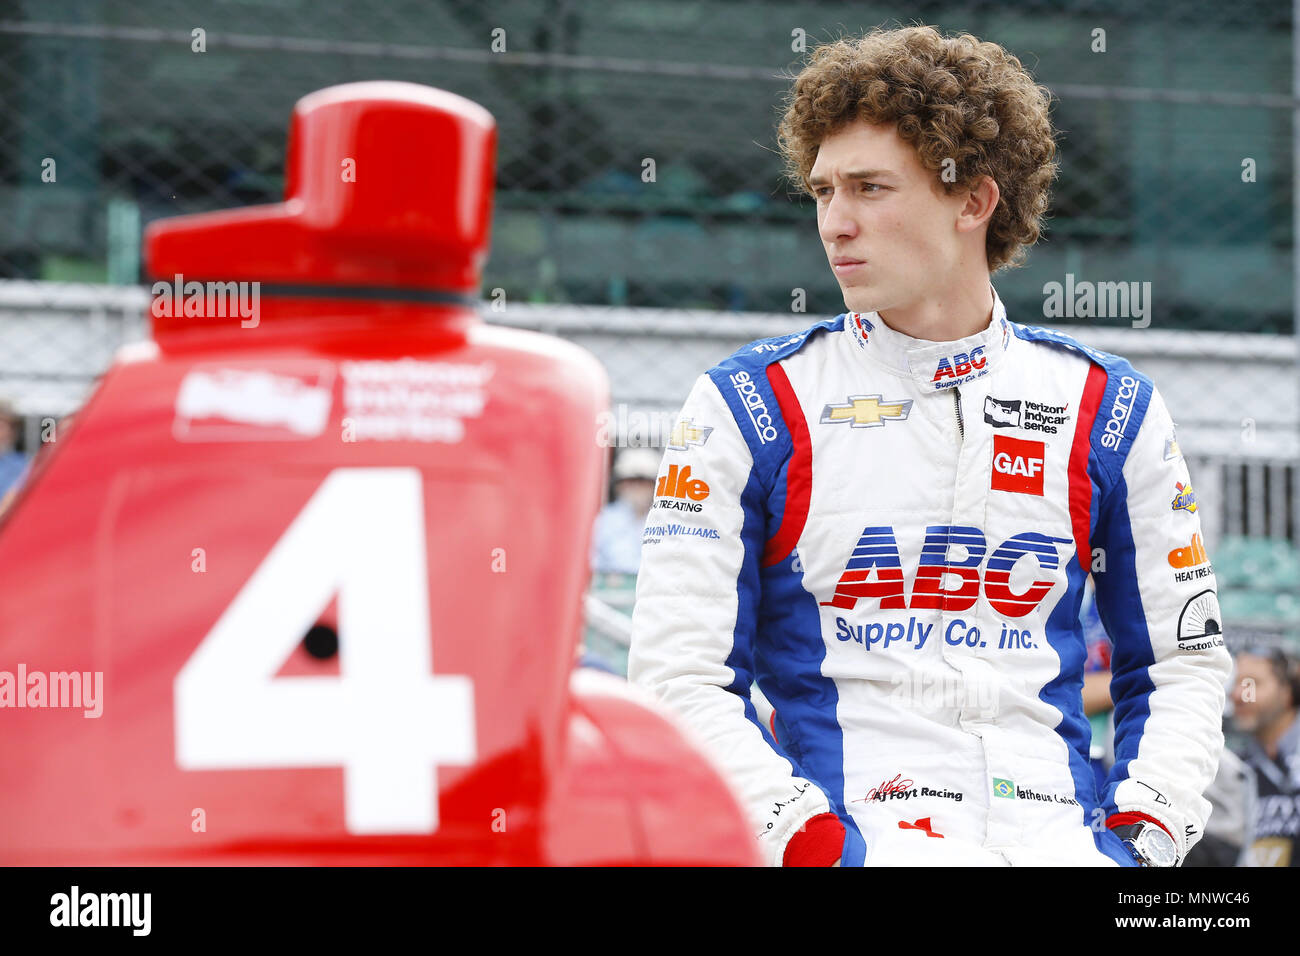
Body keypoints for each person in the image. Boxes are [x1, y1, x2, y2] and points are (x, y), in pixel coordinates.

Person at [628, 25, 1232, 867]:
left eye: (871, 188)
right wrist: (805, 845)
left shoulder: (1108, 408)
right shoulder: (751, 406)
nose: (835, 224)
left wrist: (1140, 847)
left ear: (973, 201)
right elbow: (676, 678)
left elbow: (1182, 662)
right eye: (823, 191)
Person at [1231, 645, 1300, 866]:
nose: (1238, 695)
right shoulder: (1233, 769)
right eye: (1237, 684)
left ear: (1287, 691)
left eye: (1252, 683)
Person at [590, 447, 660, 576]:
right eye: (631, 481)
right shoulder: (604, 519)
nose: (637, 487)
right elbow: (592, 561)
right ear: (620, 484)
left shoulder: (664, 520)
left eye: (643, 481)